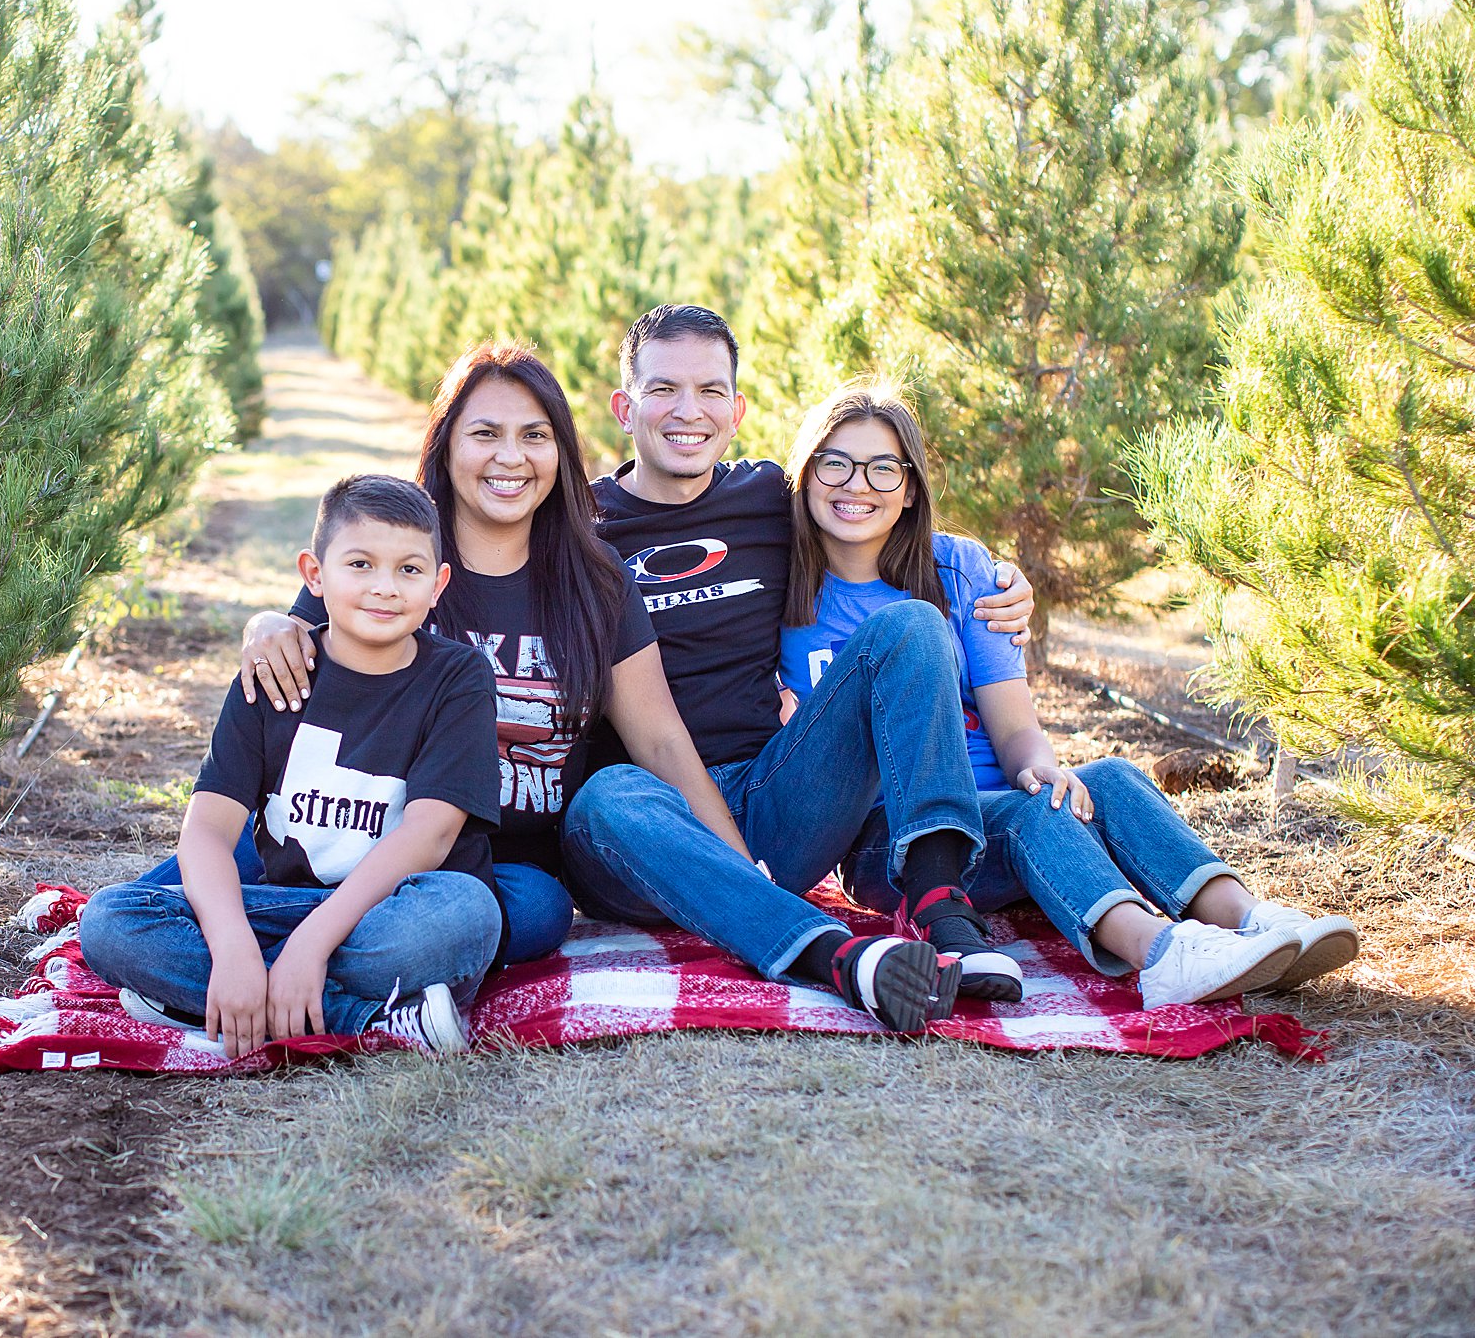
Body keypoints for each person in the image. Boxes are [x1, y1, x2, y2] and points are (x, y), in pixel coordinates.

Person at [776, 379, 1361, 1006]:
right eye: (834, 463)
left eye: (882, 468)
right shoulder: (779, 593)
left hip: (1000, 805)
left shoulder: (959, 572)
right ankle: (1162, 955)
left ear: (911, 487)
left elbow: (1015, 729)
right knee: (1036, 814)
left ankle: (1249, 922)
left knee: (1104, 778)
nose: (856, 485)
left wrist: (1041, 771)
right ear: (805, 476)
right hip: (892, 843)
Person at [563, 304, 1043, 1030]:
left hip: (775, 798)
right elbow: (453, 548)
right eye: (663, 389)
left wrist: (995, 577)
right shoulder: (581, 528)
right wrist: (318, 616)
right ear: (624, 407)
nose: (688, 411)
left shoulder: (767, 500)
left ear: (737, 410)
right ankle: (837, 955)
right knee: (606, 794)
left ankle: (943, 911)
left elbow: (871, 504)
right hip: (649, 834)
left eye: (711, 390)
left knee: (909, 625)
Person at [241, 342, 754, 971]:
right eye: (485, 433)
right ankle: (337, 960)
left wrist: (748, 882)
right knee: (147, 907)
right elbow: (298, 636)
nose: (510, 457)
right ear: (446, 445)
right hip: (339, 830)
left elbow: (663, 744)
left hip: (491, 865)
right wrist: (269, 624)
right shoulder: (397, 555)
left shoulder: (595, 581)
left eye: (534, 435)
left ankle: (286, 953)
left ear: (560, 451)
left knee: (535, 913)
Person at [78, 475, 503, 1057]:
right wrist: (231, 948)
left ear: (438, 585)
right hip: (283, 903)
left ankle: (199, 1000)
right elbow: (206, 829)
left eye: (409, 570)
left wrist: (309, 947)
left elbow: (431, 834)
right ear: (314, 575)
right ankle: (366, 1020)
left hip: (391, 914)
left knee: (467, 911)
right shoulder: (273, 673)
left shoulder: (458, 677)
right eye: (360, 564)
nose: (385, 588)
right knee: (109, 921)